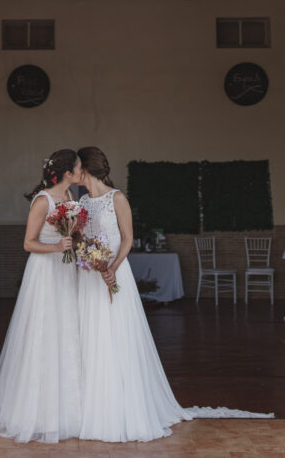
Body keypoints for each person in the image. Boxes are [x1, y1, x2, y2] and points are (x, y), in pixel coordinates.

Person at [75, 146, 194, 442]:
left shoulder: (117, 198)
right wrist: (89, 256)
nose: (73, 172)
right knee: (90, 336)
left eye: (76, 166)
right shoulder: (81, 200)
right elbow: (83, 237)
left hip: (115, 273)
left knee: (116, 336)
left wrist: (112, 266)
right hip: (90, 275)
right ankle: (90, 405)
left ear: (86, 169)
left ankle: (122, 405)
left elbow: (127, 238)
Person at [0, 149, 83, 443]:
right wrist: (57, 248)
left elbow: (73, 234)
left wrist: (76, 244)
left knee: (68, 330)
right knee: (44, 332)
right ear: (67, 173)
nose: (81, 173)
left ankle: (71, 407)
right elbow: (28, 243)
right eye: (78, 168)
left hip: (66, 270)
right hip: (45, 272)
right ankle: (37, 409)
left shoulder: (71, 197)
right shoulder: (42, 200)